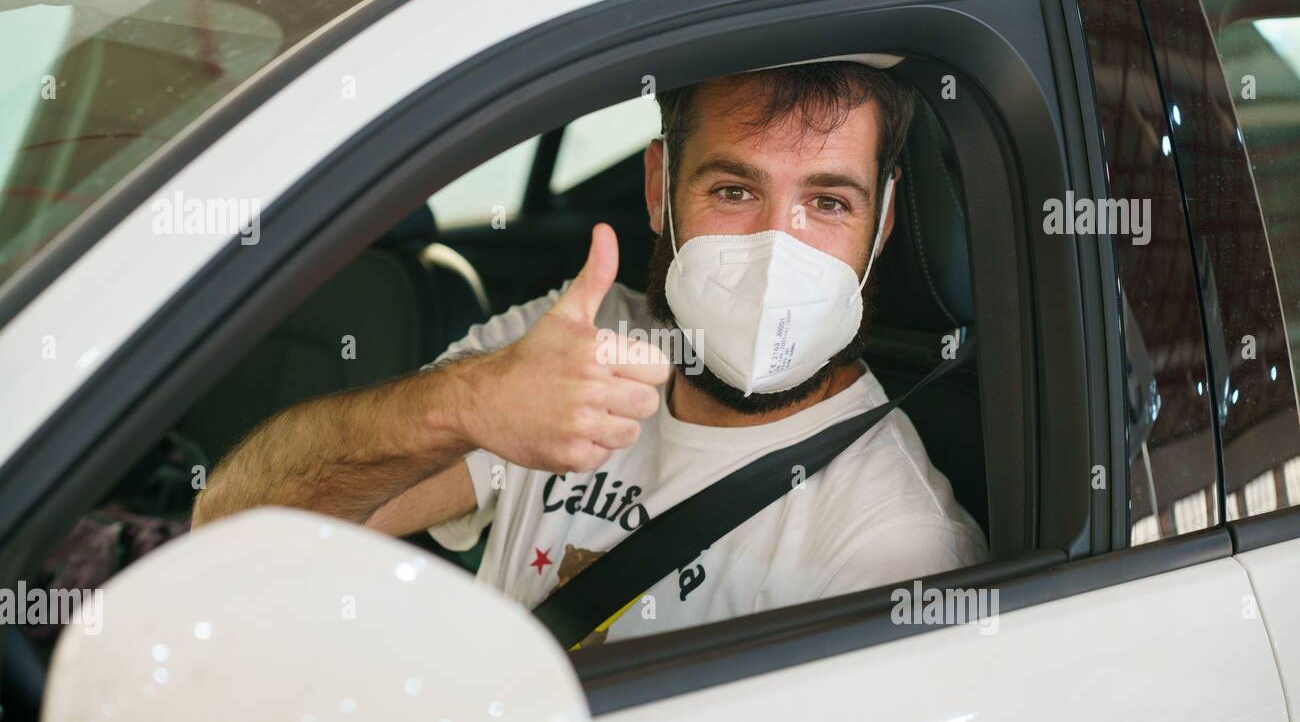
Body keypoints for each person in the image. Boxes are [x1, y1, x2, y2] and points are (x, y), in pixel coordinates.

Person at [192, 61, 988, 646]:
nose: (779, 249)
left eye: (826, 202)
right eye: (735, 191)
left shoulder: (894, 544)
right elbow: (232, 527)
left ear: (879, 229)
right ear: (659, 189)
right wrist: (463, 404)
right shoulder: (572, 345)